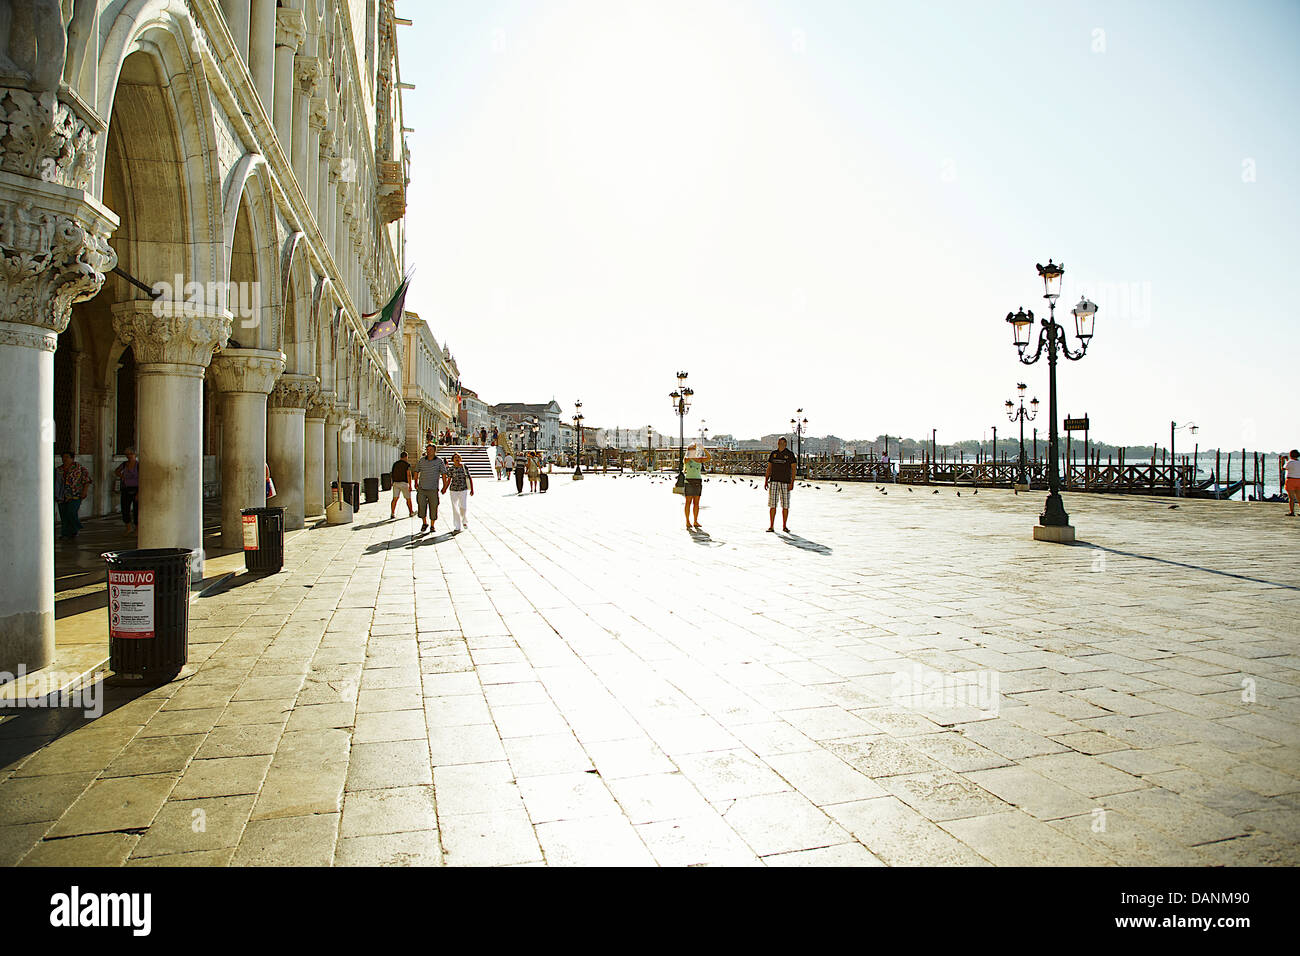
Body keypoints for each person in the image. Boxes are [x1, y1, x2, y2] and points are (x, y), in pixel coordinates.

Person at [55, 451, 92, 539]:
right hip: (61, 495)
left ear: (72, 458)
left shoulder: (80, 469)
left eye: (67, 457)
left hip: (75, 494)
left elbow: (87, 480)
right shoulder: (58, 469)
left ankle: (76, 527)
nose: (65, 459)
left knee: (71, 511)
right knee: (63, 515)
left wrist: (84, 491)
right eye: (63, 457)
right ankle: (66, 533)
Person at [413, 442, 448, 533]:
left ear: (434, 451)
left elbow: (444, 474)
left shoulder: (439, 461)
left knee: (433, 507)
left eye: (430, 450)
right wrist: (415, 482)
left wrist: (444, 486)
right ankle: (424, 523)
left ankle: (432, 525)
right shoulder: (421, 460)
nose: (428, 451)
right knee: (421, 506)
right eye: (427, 450)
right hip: (422, 488)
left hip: (433, 489)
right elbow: (416, 471)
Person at [765, 437, 798, 532]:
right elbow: (769, 467)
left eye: (783, 443)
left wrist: (792, 482)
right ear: (778, 443)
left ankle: (784, 526)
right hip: (774, 481)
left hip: (785, 482)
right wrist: (766, 479)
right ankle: (771, 526)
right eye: (779, 443)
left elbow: (794, 469)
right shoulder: (773, 454)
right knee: (772, 504)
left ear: (786, 444)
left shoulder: (790, 455)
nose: (781, 444)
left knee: (785, 505)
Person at [442, 452, 475, 532]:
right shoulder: (451, 469)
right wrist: (444, 488)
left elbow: (469, 477)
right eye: (455, 458)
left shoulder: (464, 467)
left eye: (458, 457)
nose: (457, 459)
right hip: (453, 490)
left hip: (463, 489)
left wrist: (472, 489)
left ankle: (464, 520)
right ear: (453, 459)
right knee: (455, 508)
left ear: (460, 459)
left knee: (463, 506)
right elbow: (449, 479)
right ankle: (457, 526)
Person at [683, 442, 710, 531]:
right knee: (688, 502)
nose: (694, 451)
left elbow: (709, 457)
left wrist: (703, 449)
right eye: (692, 450)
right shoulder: (687, 459)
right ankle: (687, 521)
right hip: (689, 481)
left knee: (696, 503)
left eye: (694, 450)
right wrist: (691, 447)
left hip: (698, 481)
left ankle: (695, 521)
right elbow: (686, 458)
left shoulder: (699, 459)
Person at [114, 447, 140, 533]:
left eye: (131, 454)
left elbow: (142, 479)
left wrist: (139, 493)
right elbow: (117, 471)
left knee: (136, 510)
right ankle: (128, 527)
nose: (129, 456)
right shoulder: (124, 464)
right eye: (127, 454)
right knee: (125, 508)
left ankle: (137, 528)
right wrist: (122, 477)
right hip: (126, 489)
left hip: (136, 489)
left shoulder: (138, 465)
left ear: (135, 455)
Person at [390, 451, 415, 519]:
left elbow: (392, 473)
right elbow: (408, 475)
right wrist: (410, 485)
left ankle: (392, 513)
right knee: (408, 499)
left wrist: (392, 482)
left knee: (395, 499)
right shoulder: (407, 465)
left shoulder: (395, 464)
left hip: (396, 483)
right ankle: (411, 512)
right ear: (406, 457)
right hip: (404, 483)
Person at [1285, 449, 1300, 517]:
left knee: (1291, 498)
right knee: (1299, 497)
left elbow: (1284, 468)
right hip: (1298, 480)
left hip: (1291, 480)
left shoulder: (1290, 462)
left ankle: (1292, 511)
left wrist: (1283, 461)